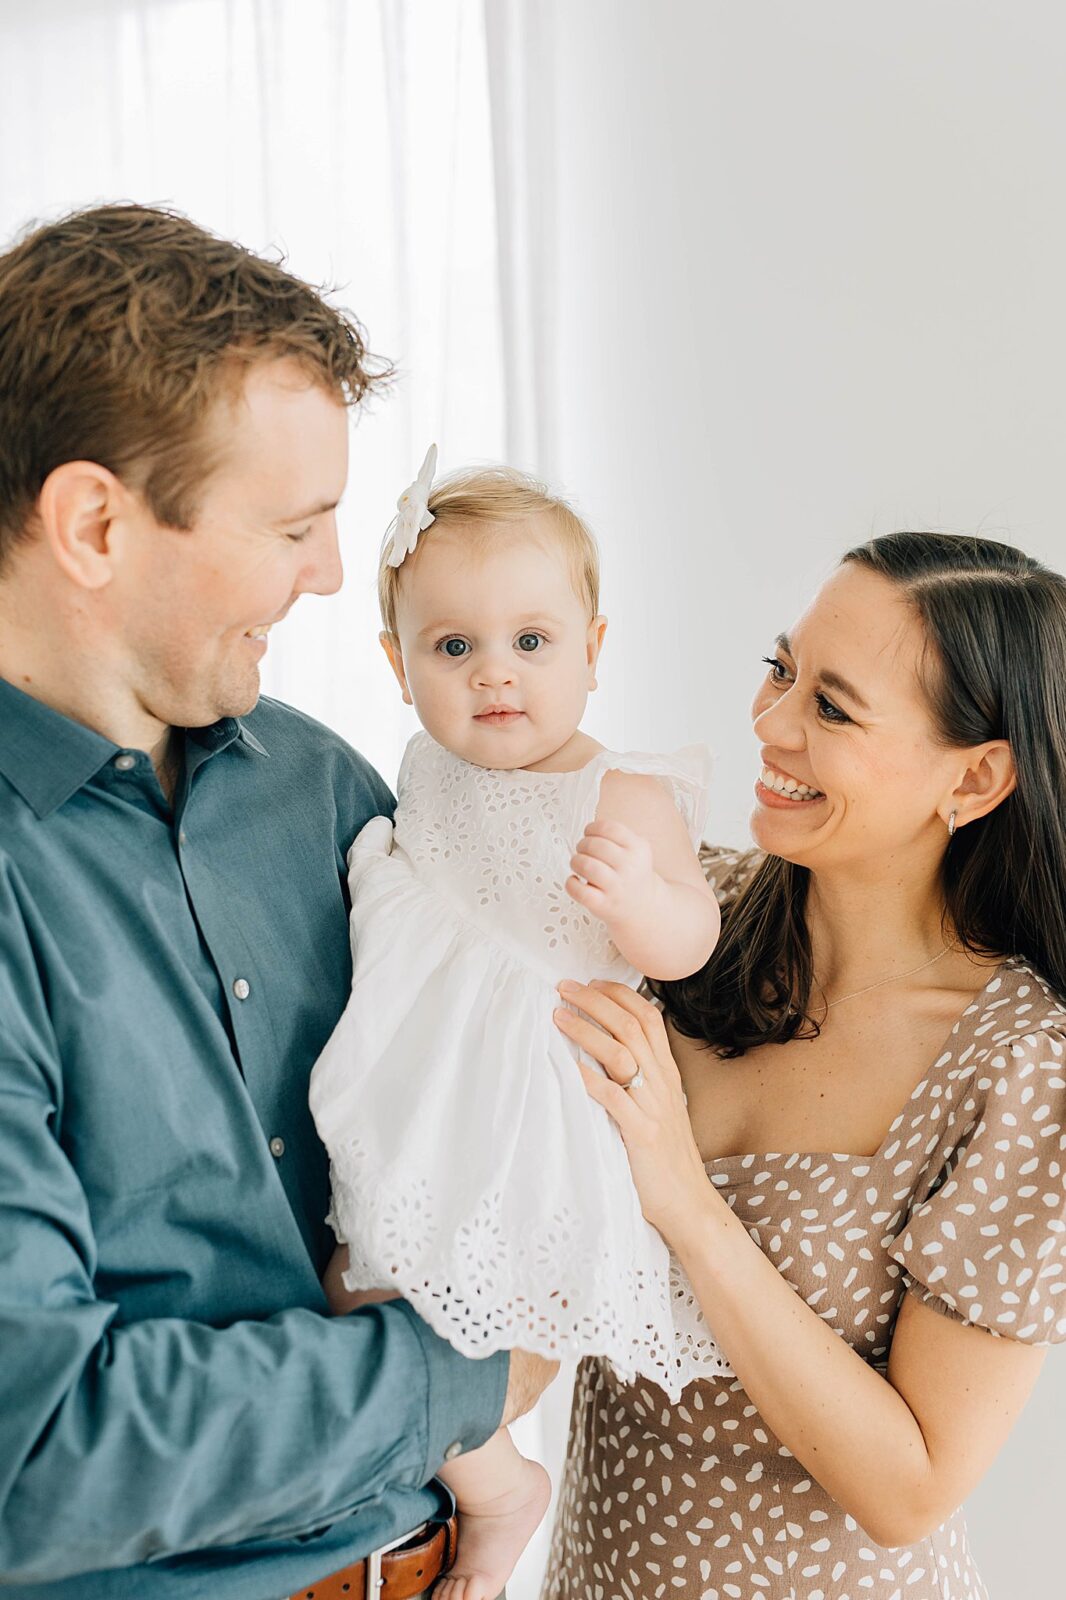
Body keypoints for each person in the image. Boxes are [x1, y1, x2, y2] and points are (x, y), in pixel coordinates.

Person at [0, 202, 553, 1600]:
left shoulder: (313, 786)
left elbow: (503, 1026)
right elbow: (40, 1458)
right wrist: (458, 1374)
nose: (324, 572)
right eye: (295, 526)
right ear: (92, 524)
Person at [543, 531, 1066, 1600]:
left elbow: (910, 1489)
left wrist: (683, 1197)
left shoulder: (1022, 1066)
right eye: (780, 669)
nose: (769, 723)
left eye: (830, 706)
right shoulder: (686, 916)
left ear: (973, 777)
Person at [309, 460, 724, 1600]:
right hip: (419, 1075)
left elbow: (690, 937)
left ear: (594, 647)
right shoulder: (420, 769)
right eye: (453, 648)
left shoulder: (621, 791)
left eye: (532, 642)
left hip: (528, 1092)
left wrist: (642, 903)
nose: (495, 673)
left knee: (461, 1313)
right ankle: (460, 1485)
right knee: (356, 1287)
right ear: (397, 667)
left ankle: (498, 1493)